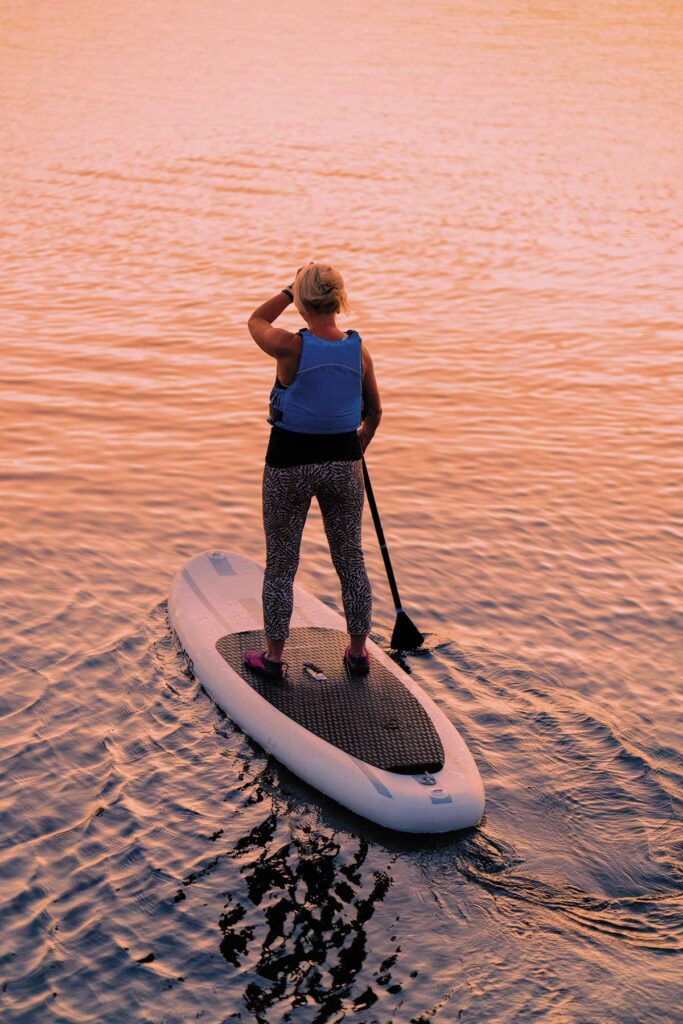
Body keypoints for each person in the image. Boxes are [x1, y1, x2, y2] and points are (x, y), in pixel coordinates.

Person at [244, 261, 382, 680]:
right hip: (343, 463)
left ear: (304, 301)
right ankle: (358, 653)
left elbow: (255, 320)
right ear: (339, 300)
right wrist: (357, 445)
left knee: (282, 563)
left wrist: (288, 290)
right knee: (350, 559)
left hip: (289, 465)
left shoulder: (290, 346)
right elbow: (374, 412)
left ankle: (272, 658)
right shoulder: (358, 351)